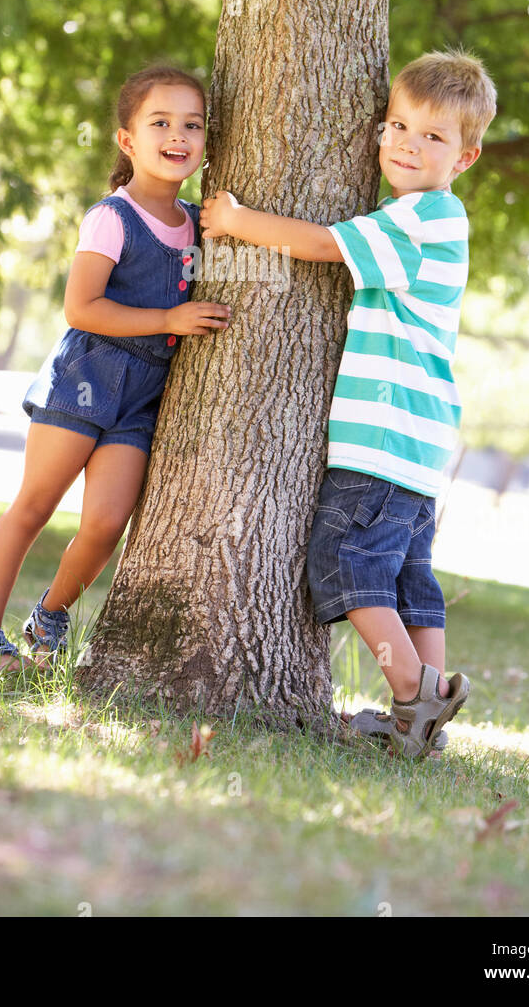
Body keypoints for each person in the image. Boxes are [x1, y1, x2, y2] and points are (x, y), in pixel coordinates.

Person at [200, 48, 496, 758]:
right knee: (408, 576)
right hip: (419, 442)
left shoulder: (423, 219)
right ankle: (429, 702)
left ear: (466, 156)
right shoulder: (428, 217)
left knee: (348, 560)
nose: (407, 145)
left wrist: (238, 221)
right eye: (397, 125)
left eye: (433, 137)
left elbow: (323, 244)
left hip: (383, 437)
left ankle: (410, 699)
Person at [0, 65, 231, 669]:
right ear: (128, 139)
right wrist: (170, 320)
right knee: (33, 506)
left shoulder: (198, 221)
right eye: (159, 122)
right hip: (87, 376)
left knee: (108, 522)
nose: (178, 135)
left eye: (192, 124)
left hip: (143, 396)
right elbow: (81, 307)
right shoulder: (113, 216)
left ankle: (48, 617)